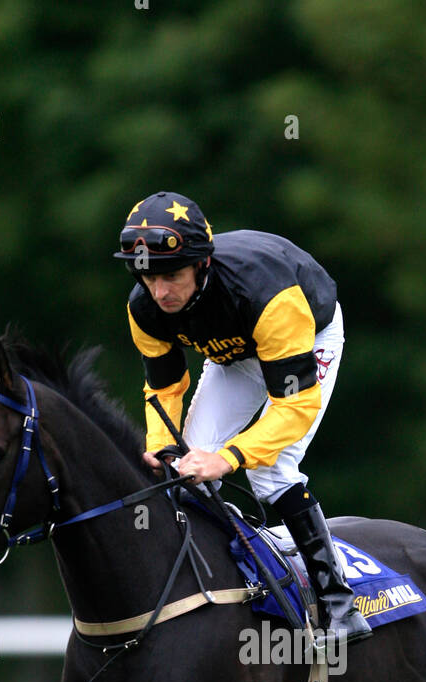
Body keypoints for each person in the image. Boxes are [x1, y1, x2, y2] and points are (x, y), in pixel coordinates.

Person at [115, 191, 371, 646]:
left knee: (271, 472)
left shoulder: (266, 294)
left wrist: (229, 457)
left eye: (171, 275)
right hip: (234, 352)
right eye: (148, 277)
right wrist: (160, 445)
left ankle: (339, 605)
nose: (160, 292)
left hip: (304, 338)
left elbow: (294, 406)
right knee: (183, 472)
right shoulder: (145, 306)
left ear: (202, 264)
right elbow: (165, 388)